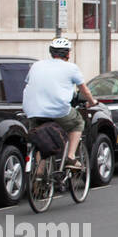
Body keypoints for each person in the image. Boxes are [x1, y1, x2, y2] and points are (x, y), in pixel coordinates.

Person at [23, 37, 98, 171]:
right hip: (58, 111)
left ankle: (39, 175)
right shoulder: (71, 68)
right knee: (78, 123)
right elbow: (84, 90)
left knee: (41, 138)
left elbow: (30, 83)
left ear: (51, 52)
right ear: (68, 54)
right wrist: (92, 102)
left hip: (32, 110)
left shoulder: (36, 65)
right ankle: (71, 156)